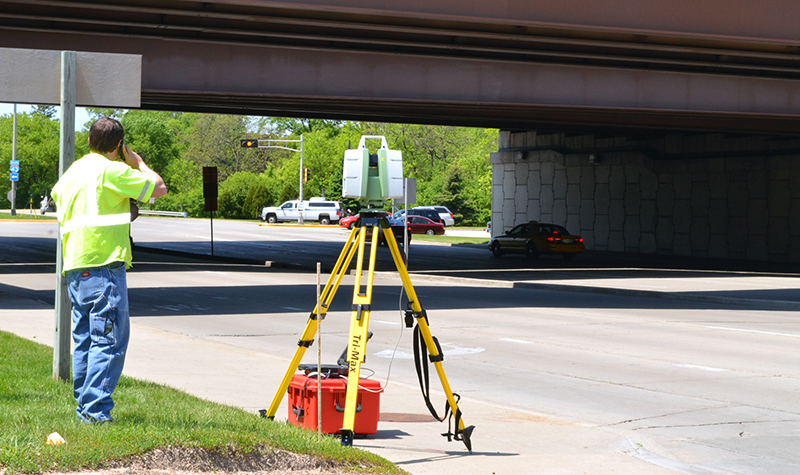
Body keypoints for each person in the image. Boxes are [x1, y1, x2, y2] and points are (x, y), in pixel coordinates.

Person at [52, 117, 167, 423]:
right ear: (118, 145)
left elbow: (63, 200)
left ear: (89, 141)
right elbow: (159, 188)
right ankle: (95, 413)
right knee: (109, 340)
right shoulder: (112, 170)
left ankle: (83, 407)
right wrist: (139, 163)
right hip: (104, 267)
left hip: (75, 267)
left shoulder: (73, 172)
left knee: (87, 340)